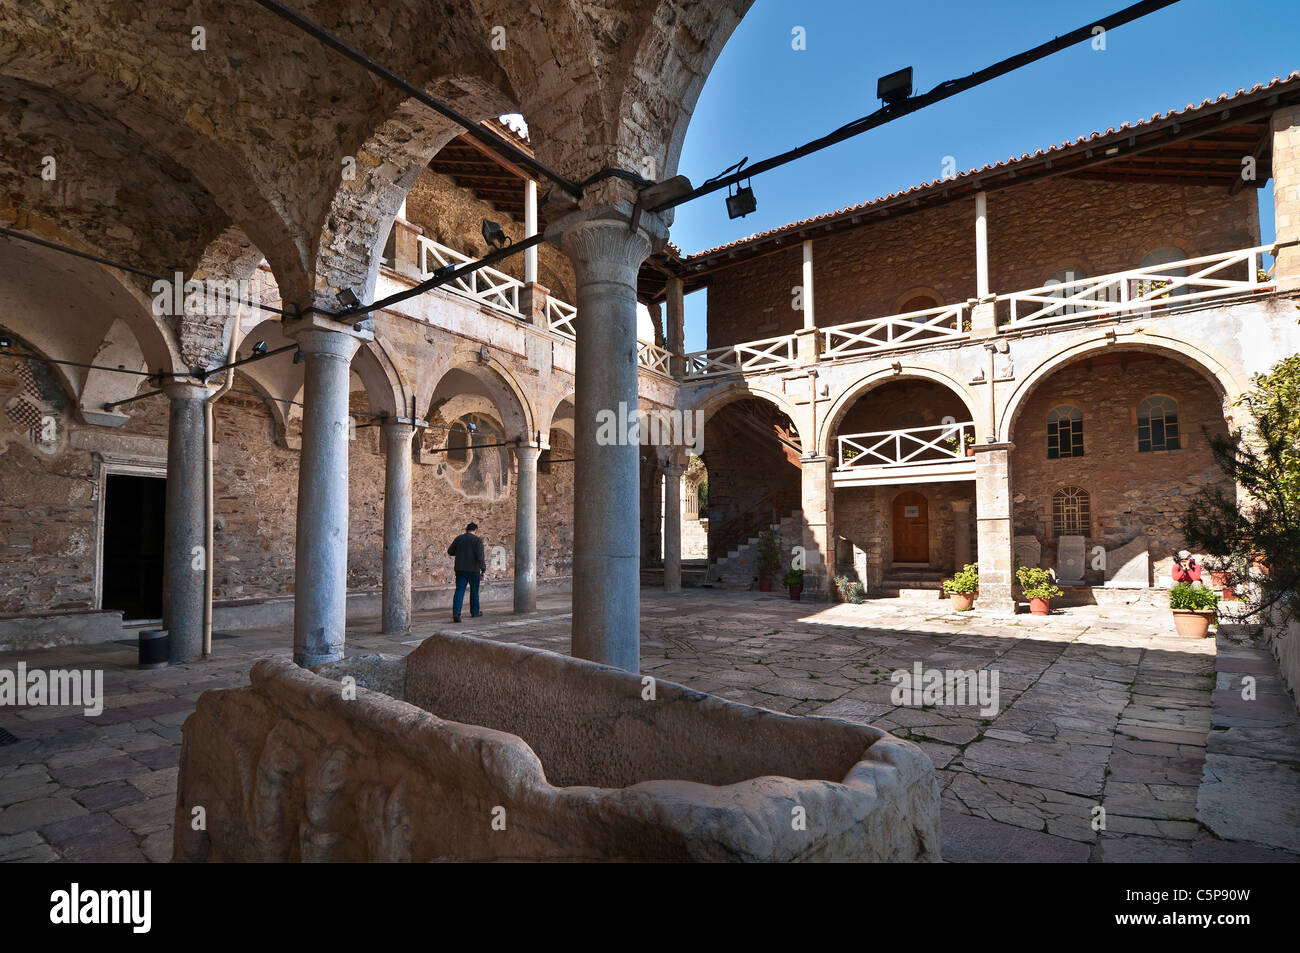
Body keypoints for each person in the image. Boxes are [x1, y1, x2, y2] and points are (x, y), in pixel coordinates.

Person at [447, 522, 486, 622]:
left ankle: (456, 613)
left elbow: (450, 551)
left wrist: (460, 551)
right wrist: (483, 570)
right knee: (474, 591)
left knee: (459, 591)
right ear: (476, 530)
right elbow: (480, 557)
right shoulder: (477, 540)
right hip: (473, 570)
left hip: (460, 569)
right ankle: (475, 612)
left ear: (466, 529)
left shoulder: (459, 538)